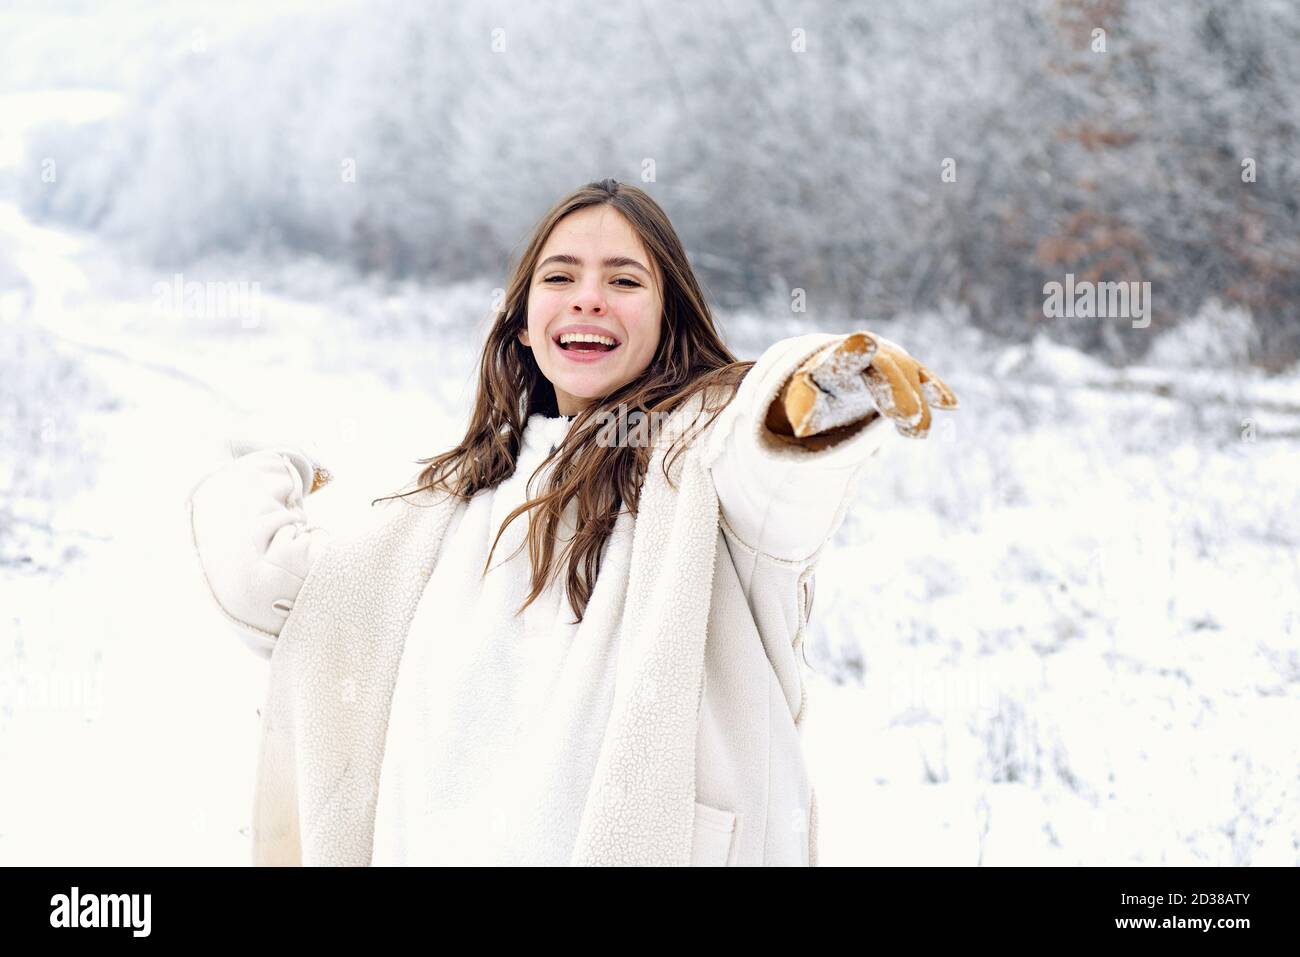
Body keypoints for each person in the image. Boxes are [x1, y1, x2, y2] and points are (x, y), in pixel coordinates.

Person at [186, 178, 957, 867]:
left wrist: (824, 386)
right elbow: (277, 588)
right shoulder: (445, 508)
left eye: (625, 279)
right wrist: (267, 465)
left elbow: (775, 450)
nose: (589, 296)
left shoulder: (703, 472)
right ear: (523, 322)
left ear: (670, 318)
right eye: (561, 276)